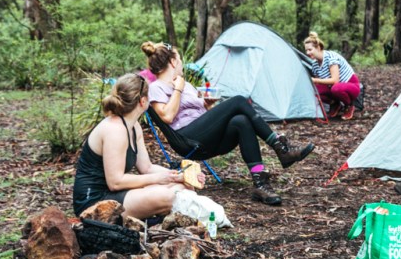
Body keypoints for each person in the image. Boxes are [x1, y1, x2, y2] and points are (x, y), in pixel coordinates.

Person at [142, 41, 314, 206]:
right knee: (239, 101)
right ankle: (279, 147)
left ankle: (260, 183)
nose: (181, 64)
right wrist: (178, 88)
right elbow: (167, 117)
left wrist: (208, 106)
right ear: (173, 62)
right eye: (179, 59)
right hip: (187, 139)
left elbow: (203, 117)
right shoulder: (157, 87)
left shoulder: (186, 85)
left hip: (206, 137)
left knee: (241, 121)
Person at [73, 73, 203, 220]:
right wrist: (158, 179)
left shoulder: (134, 126)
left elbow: (146, 168)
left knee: (184, 187)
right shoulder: (114, 129)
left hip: (115, 194)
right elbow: (115, 182)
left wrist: (180, 176)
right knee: (167, 195)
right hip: (94, 202)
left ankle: (156, 216)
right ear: (142, 101)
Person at [304, 32, 361, 120]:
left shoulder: (330, 57)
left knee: (336, 88)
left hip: (350, 86)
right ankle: (335, 103)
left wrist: (315, 80)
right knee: (313, 90)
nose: (307, 52)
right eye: (306, 50)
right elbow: (321, 85)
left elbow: (335, 81)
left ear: (318, 47)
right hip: (333, 88)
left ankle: (349, 105)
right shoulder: (315, 64)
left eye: (310, 49)